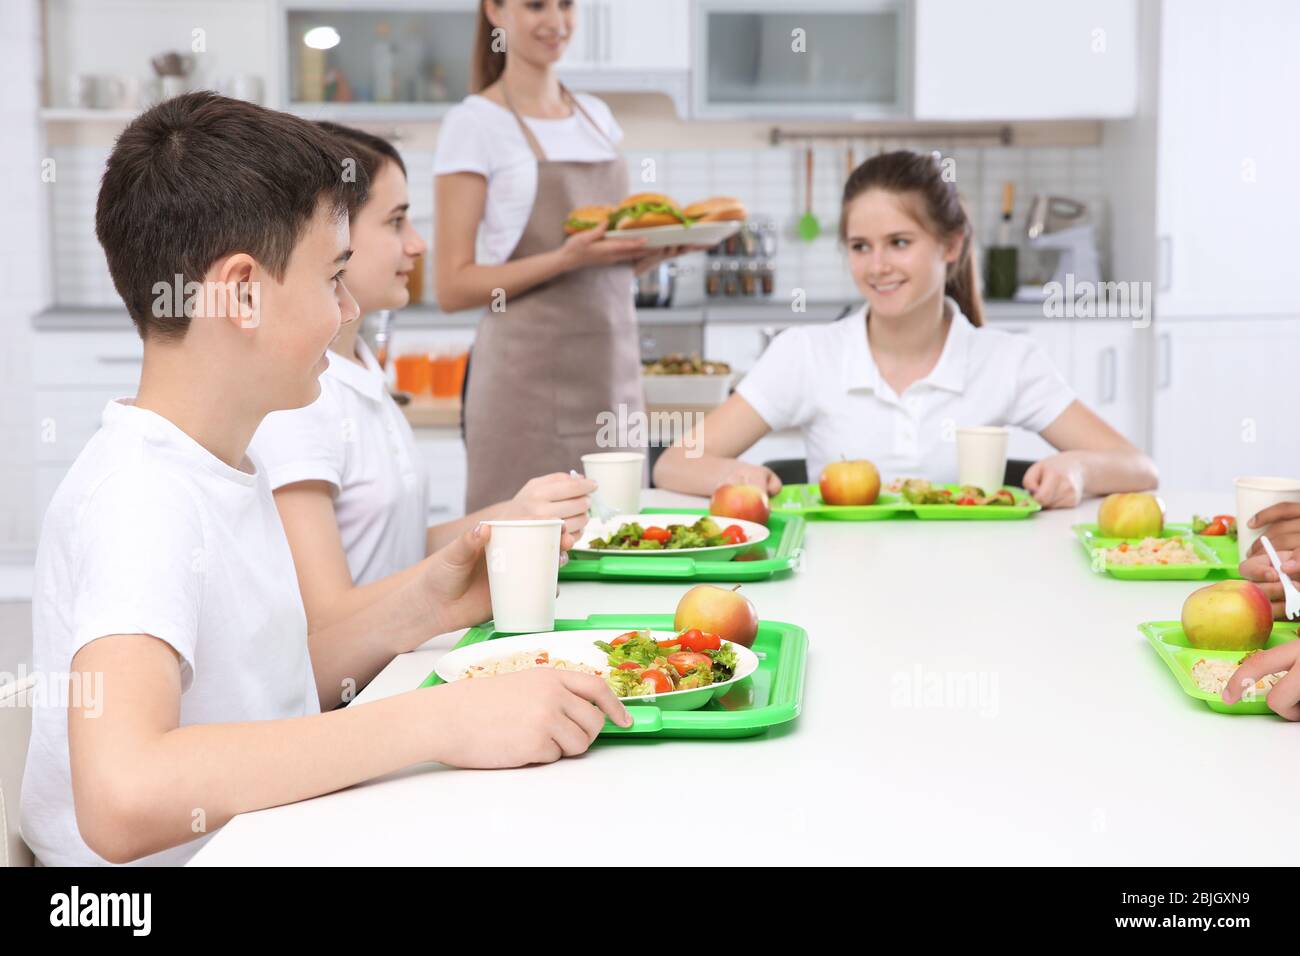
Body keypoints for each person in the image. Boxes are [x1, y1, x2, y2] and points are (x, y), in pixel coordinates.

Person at [20, 92, 629, 867]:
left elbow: (261, 692)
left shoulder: (228, 460)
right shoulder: (141, 499)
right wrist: (437, 720)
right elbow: (124, 793)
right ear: (241, 292)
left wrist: (421, 605)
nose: (347, 309)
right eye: (331, 277)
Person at [653, 150, 1158, 508]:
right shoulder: (806, 354)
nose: (877, 267)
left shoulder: (1006, 361)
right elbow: (674, 463)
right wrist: (732, 473)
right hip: (836, 588)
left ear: (950, 246)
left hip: (975, 586)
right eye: (860, 246)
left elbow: (1138, 467)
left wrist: (1080, 469)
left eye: (898, 242)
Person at [250, 123, 595, 630]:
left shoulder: (361, 368)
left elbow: (396, 550)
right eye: (395, 223)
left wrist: (513, 516)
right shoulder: (302, 400)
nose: (416, 246)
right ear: (332, 234)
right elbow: (326, 624)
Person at [434, 0, 691, 510]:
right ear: (496, 12)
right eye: (535, 5)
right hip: (521, 386)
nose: (556, 21)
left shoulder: (598, 117)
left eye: (567, 4)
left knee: (617, 534)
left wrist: (648, 252)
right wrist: (566, 258)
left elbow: (602, 259)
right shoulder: (475, 123)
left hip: (610, 375)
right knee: (520, 549)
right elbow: (451, 286)